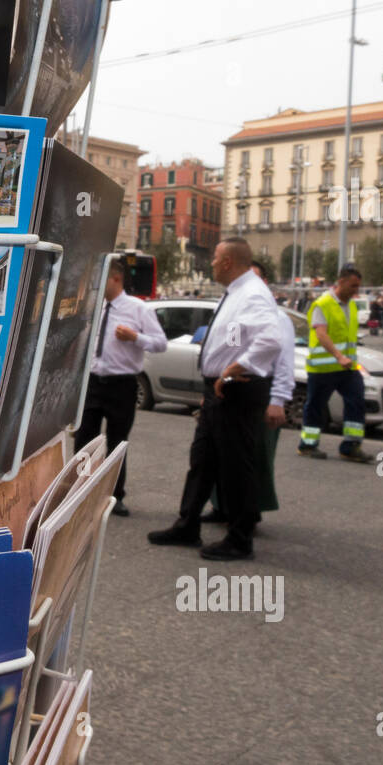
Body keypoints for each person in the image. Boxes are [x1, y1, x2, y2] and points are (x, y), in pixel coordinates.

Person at [148, 238, 284, 560]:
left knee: (236, 464)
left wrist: (234, 369)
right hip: (219, 390)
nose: (209, 264)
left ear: (226, 262)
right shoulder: (237, 292)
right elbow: (238, 337)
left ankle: (240, 539)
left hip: (236, 389)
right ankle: (187, 524)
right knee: (203, 459)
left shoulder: (252, 293)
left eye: (214, 259)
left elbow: (271, 339)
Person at [74, 259, 167, 517]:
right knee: (84, 441)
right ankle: (79, 492)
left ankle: (115, 495)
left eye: (100, 278)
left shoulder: (138, 309)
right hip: (93, 382)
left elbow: (160, 344)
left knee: (117, 443)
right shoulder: (94, 307)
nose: (96, 284)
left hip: (122, 385)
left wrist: (135, 337)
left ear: (115, 278)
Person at [203, 258, 294, 523]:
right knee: (225, 455)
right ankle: (223, 507)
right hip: (231, 391)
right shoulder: (235, 310)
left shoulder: (278, 318)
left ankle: (247, 515)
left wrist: (277, 400)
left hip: (258, 394)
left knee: (253, 458)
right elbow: (230, 352)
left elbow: (285, 362)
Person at [299, 265, 373, 463]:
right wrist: (339, 356)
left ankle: (350, 447)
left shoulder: (350, 304)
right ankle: (308, 445)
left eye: (358, 286)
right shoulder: (323, 304)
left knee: (356, 401)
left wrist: (346, 359)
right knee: (315, 406)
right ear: (341, 282)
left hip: (346, 368)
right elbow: (321, 333)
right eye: (353, 286)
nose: (356, 290)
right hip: (324, 367)